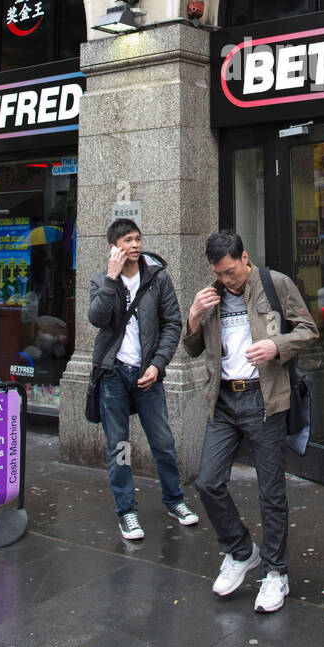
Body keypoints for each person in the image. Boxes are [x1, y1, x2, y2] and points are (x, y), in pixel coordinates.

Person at [182, 230, 319, 613]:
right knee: (208, 482)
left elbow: (308, 329)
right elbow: (192, 349)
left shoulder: (275, 284)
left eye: (230, 271)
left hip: (265, 398)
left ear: (244, 258)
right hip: (223, 400)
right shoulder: (210, 296)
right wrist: (193, 316)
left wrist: (278, 345)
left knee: (271, 491)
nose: (226, 280)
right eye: (219, 273)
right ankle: (241, 551)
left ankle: (276, 573)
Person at [88, 218, 198, 540]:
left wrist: (158, 365)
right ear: (114, 247)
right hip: (113, 374)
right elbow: (97, 318)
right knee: (119, 445)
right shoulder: (100, 281)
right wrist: (111, 278)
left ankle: (175, 500)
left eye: (137, 239)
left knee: (162, 441)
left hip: (147, 373)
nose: (134, 245)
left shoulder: (158, 278)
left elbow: (173, 324)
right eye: (126, 241)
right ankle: (127, 512)